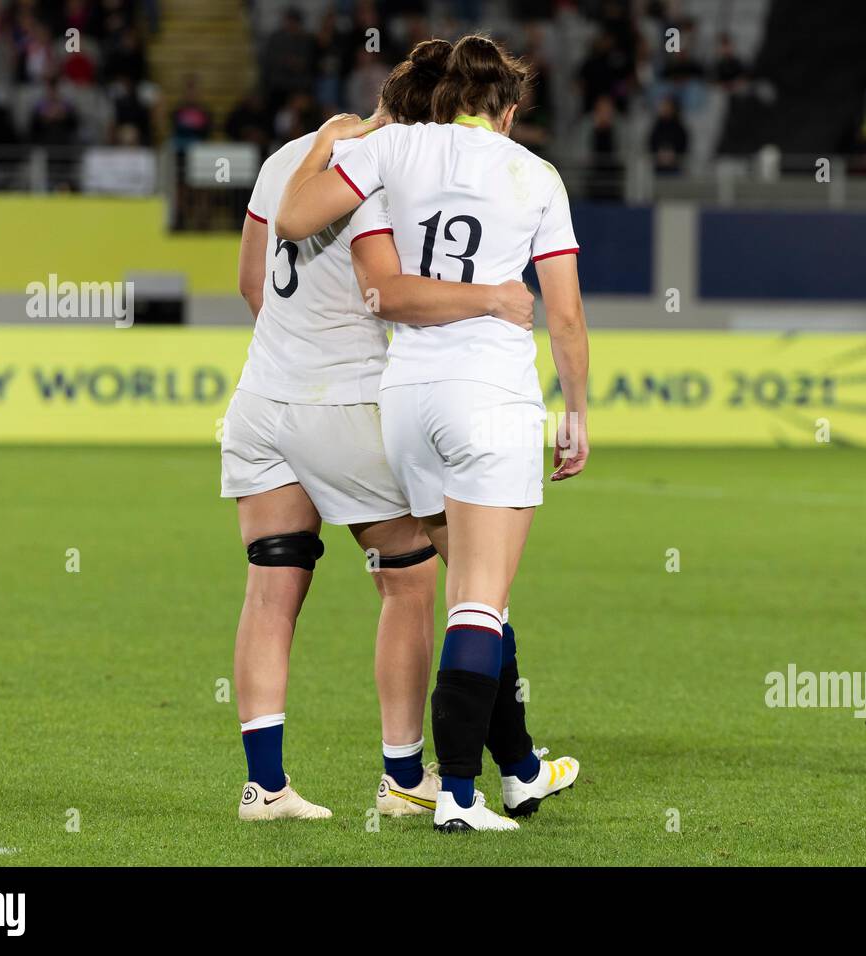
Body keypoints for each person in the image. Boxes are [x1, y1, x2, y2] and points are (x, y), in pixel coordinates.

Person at [276, 34, 590, 832]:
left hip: (409, 399)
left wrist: (330, 140)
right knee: (479, 602)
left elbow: (293, 217)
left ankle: (519, 770)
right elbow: (566, 312)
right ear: (509, 110)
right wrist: (578, 410)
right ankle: (457, 794)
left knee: (476, 592)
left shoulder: (397, 149)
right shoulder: (536, 175)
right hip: (490, 396)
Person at [225, 39, 536, 821]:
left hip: (262, 397)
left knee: (271, 588)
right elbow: (385, 291)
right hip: (346, 401)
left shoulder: (293, 157)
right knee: (415, 580)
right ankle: (406, 777)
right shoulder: (390, 168)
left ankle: (265, 786)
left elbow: (249, 281)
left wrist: (295, 351)